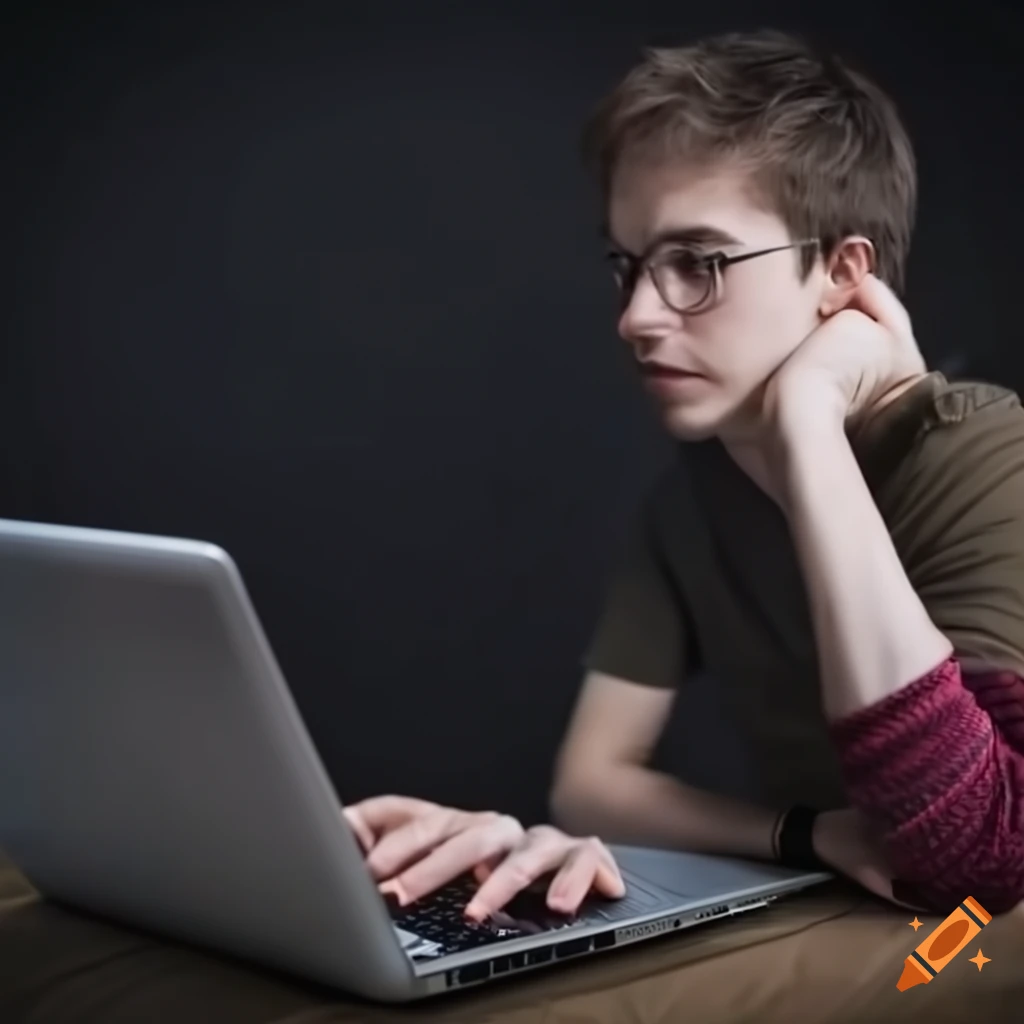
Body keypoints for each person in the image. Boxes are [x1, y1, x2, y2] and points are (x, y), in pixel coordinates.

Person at [344, 29, 1024, 924]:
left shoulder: (986, 450)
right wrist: (809, 835)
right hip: (845, 911)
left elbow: (977, 857)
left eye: (698, 264)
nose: (635, 317)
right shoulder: (690, 501)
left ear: (841, 272)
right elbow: (591, 786)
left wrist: (809, 421)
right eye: (627, 266)